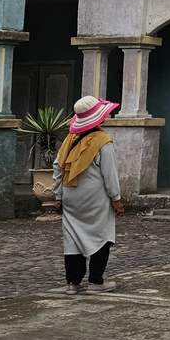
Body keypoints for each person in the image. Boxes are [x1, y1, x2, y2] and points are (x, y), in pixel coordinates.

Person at [55, 96, 124, 294]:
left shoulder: (69, 139)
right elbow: (109, 174)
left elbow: (57, 168)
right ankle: (95, 281)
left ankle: (72, 283)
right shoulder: (103, 141)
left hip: (70, 196)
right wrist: (116, 199)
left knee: (72, 238)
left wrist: (58, 196)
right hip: (96, 199)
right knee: (102, 235)